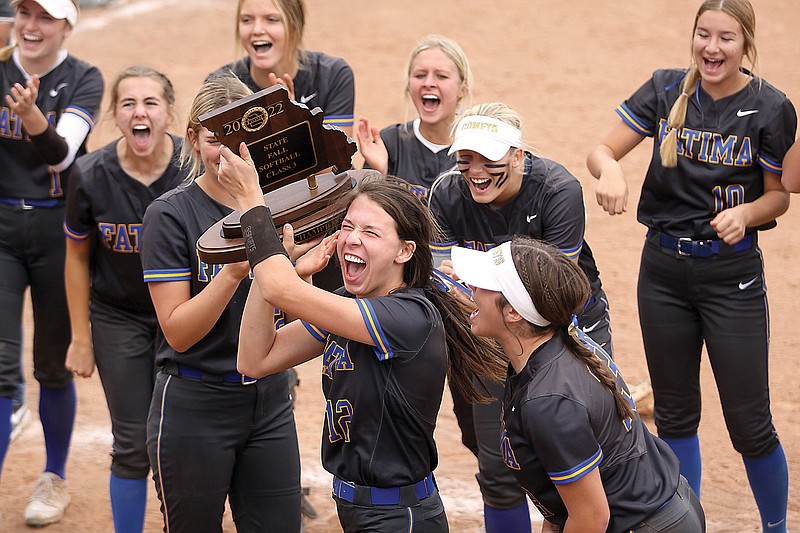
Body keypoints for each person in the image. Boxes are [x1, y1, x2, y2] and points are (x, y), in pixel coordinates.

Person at [215, 142, 506, 533]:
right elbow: (255, 359)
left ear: (404, 251)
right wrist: (277, 266)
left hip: (398, 519)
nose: (352, 239)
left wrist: (253, 202)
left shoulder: (408, 317)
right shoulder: (350, 306)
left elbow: (282, 291)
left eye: (370, 232)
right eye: (348, 226)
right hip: (360, 512)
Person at [586, 1, 795, 531]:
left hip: (733, 279)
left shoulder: (770, 107)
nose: (711, 48)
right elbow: (602, 150)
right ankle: (688, 523)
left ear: (746, 43)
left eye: (725, 38)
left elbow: (780, 196)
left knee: (750, 423)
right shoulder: (664, 88)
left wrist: (746, 214)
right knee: (676, 414)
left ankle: (774, 526)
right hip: (662, 274)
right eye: (703, 35)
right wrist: (609, 173)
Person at [429, 101, 615, 532]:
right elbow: (443, 281)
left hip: (568, 331)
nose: (475, 171)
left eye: (489, 159)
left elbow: (548, 299)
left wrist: (472, 276)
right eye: (466, 158)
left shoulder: (557, 190)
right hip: (490, 335)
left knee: (590, 465)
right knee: (499, 471)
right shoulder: (445, 193)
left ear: (517, 155)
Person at [138, 75, 306, 532]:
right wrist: (236, 266)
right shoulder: (170, 215)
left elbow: (291, 308)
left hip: (269, 400)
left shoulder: (279, 207)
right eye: (216, 140)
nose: (232, 154)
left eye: (246, 139)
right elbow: (178, 331)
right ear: (193, 137)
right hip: (195, 405)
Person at [450, 236, 706, 532]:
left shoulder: (548, 401)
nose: (470, 289)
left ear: (513, 312)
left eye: (482, 285)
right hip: (659, 510)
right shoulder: (556, 345)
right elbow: (561, 501)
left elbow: (591, 518)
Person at [63, 65, 185, 533]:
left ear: (169, 113)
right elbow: (76, 258)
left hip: (184, 314)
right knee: (133, 441)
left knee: (184, 438)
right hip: (118, 317)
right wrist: (81, 337)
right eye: (128, 103)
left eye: (151, 102)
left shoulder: (192, 171)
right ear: (115, 115)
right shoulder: (91, 175)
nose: (140, 112)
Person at [0, 0, 103, 527]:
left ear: (67, 24)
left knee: (51, 363)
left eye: (45, 16)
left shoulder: (84, 78)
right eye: (24, 12)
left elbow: (64, 154)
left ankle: (53, 476)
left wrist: (33, 117)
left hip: (56, 232)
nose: (32, 26)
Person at [209, 0, 354, 137]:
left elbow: (339, 159)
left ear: (295, 25)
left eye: (272, 19)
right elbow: (214, 158)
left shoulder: (332, 75)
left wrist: (296, 122)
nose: (257, 30)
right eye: (247, 20)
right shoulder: (219, 85)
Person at [356, 34, 471, 200]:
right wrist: (379, 174)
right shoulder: (390, 142)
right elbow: (367, 215)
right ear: (409, 86)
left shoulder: (474, 148)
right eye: (420, 75)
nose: (428, 83)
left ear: (463, 89)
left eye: (441, 76)